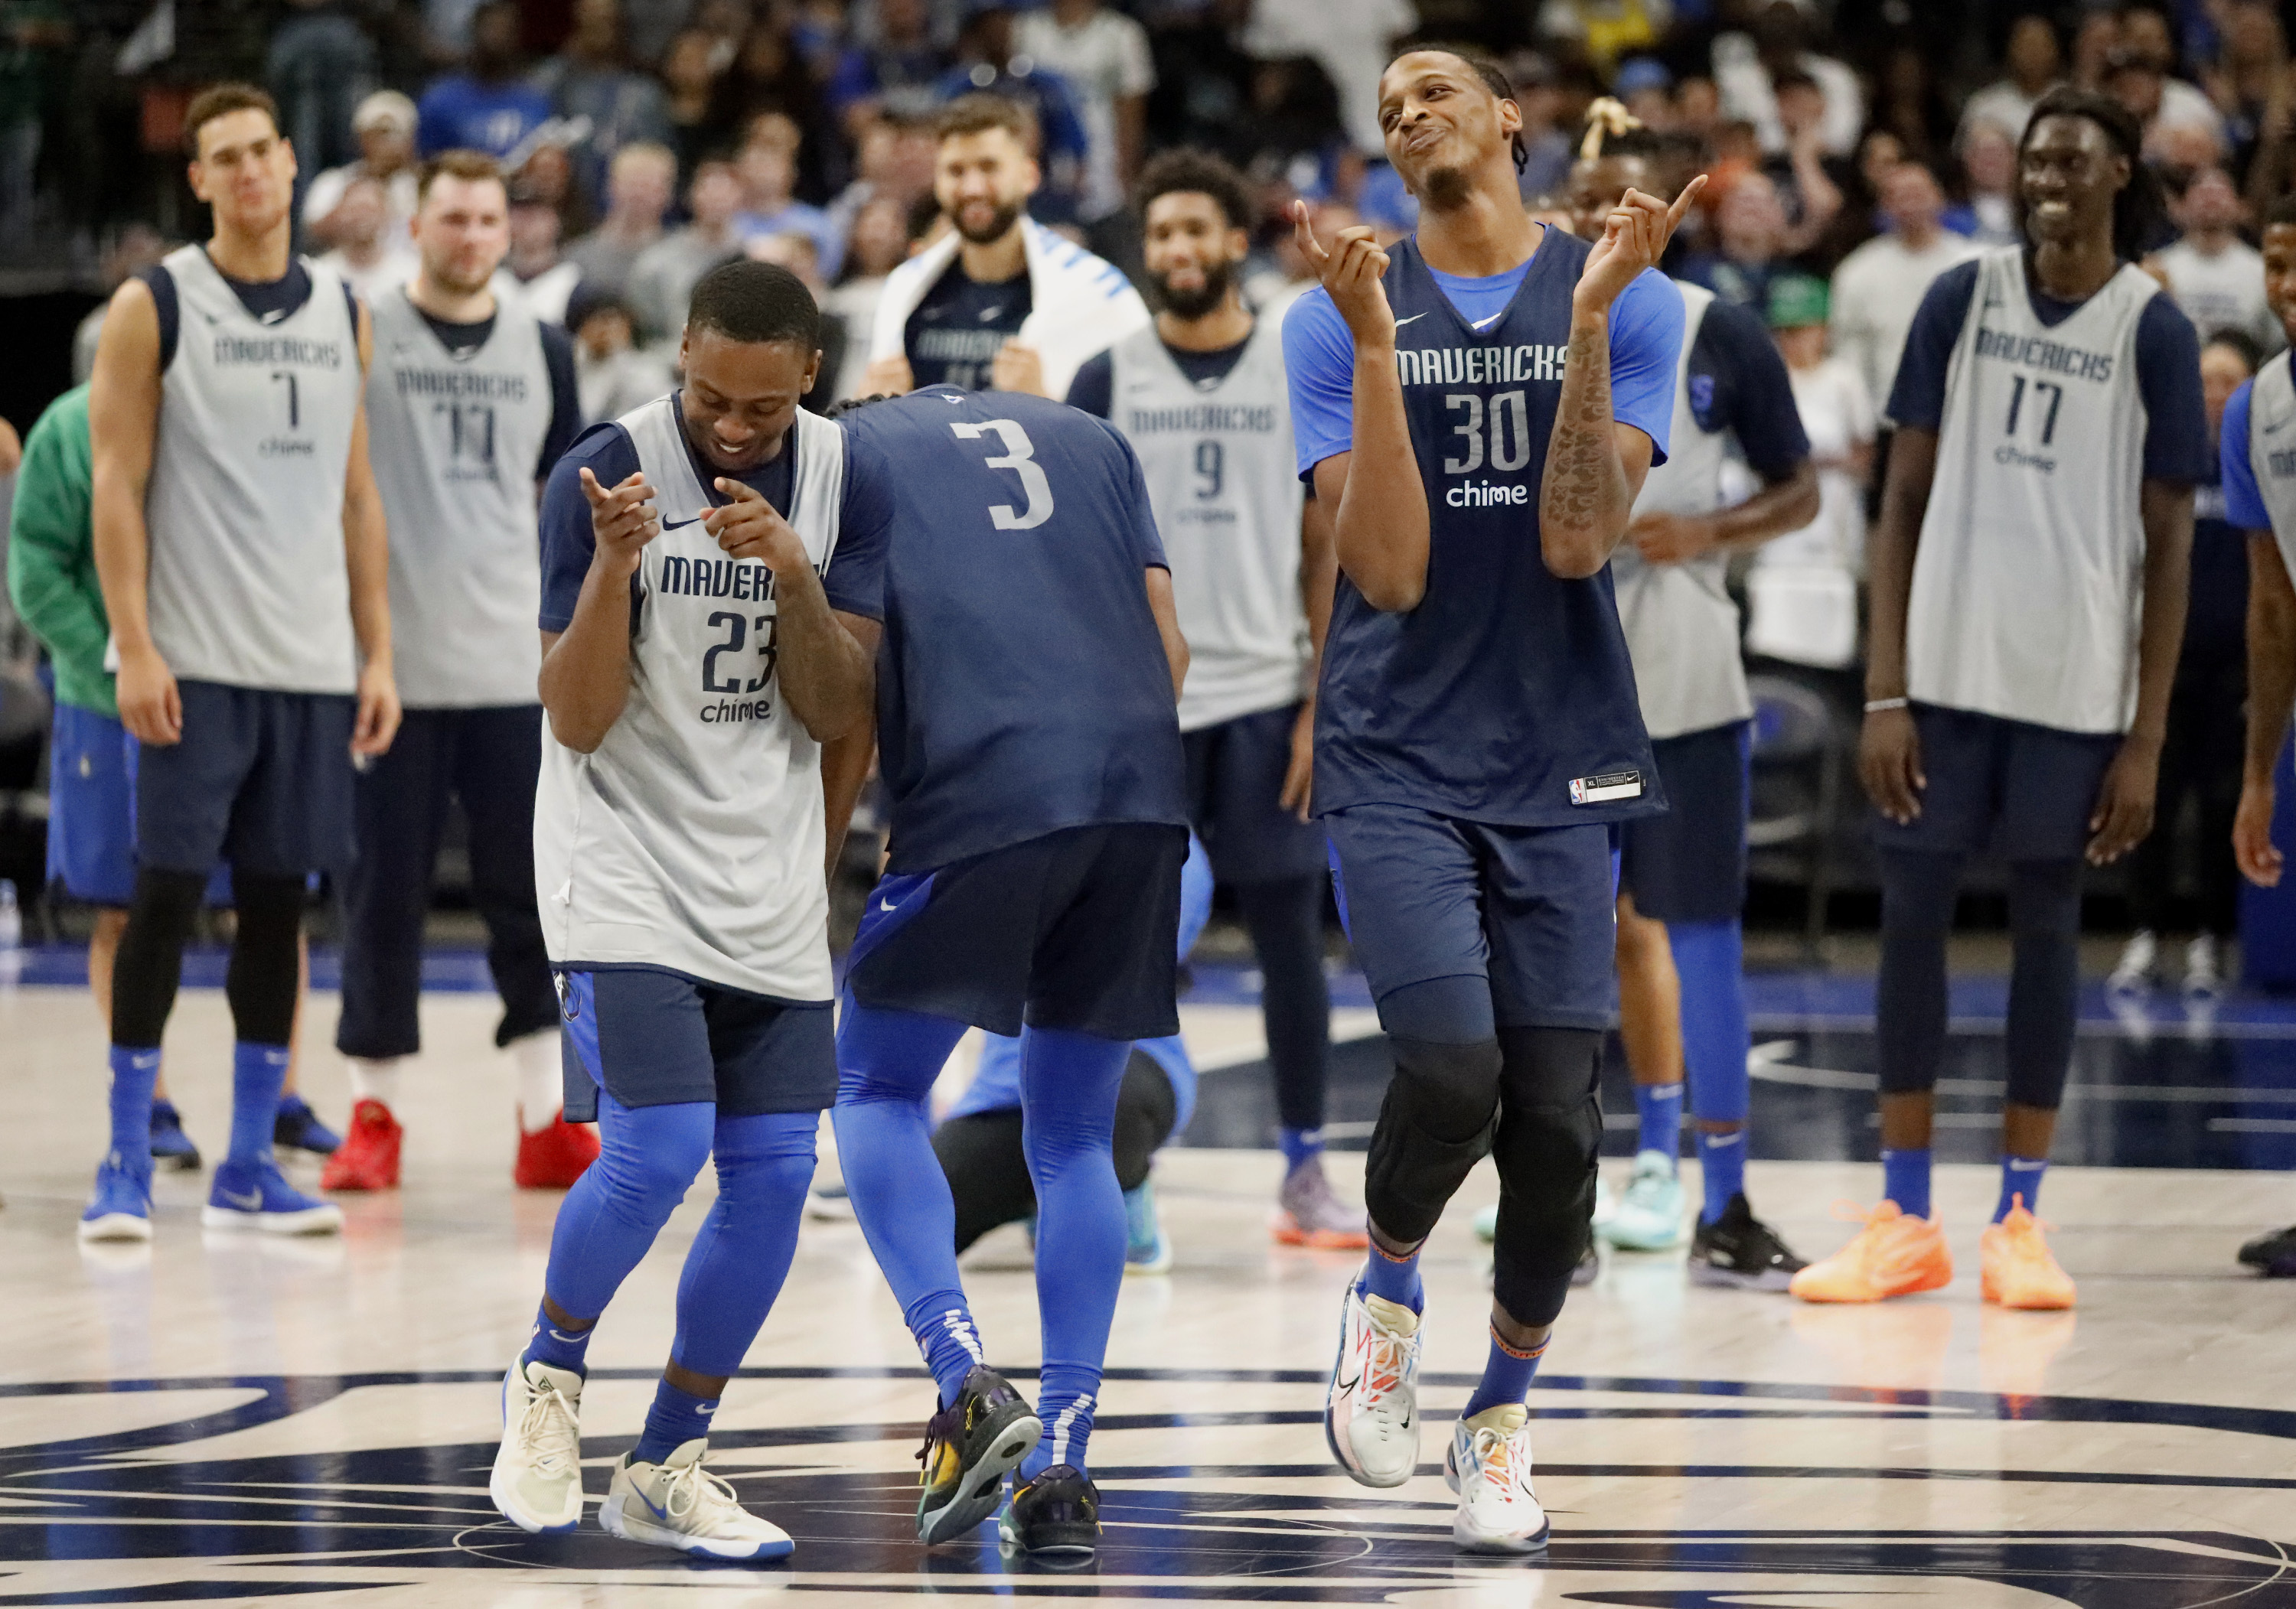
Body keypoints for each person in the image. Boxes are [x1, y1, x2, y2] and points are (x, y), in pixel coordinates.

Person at [1283, 48, 1691, 1553]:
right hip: (1394, 748)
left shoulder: (1626, 293)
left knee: (1560, 1131)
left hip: (1560, 749)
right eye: (1387, 100)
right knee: (1451, 1073)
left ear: (1513, 120)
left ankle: (1499, 1418)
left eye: (1437, 85)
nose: (1408, 107)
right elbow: (1384, 571)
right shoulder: (1328, 320)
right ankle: (1386, 1289)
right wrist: (1377, 341)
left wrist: (1582, 326)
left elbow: (1580, 543)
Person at [488, 260, 889, 1555]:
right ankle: (547, 1379)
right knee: (657, 1149)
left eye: (760, 409)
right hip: (622, 867)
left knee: (773, 1178)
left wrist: (792, 577)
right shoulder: (601, 470)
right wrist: (614, 569)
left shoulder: (844, 479)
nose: (731, 426)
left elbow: (839, 709)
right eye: (710, 395)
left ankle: (667, 1458)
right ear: (685, 360)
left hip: (765, 877)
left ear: (808, 379)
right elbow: (578, 714)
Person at [1803, 86, 2206, 1312]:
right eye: (2035, 160)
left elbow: (2173, 548)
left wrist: (2146, 736)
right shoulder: (1959, 297)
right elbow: (1901, 502)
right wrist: (1884, 690)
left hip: (2073, 686)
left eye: (2073, 160)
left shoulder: (2156, 328)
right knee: (1912, 922)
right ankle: (1905, 1212)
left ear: (2119, 171)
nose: (2048, 178)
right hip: (1942, 676)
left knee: (2045, 930)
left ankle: (2021, 1216)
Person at [827, 380, 1190, 1559]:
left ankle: (959, 1372)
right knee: (1074, 1136)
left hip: (983, 786)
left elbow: (851, 669)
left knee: (874, 1086)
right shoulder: (1089, 434)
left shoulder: (850, 448)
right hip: (1139, 791)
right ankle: (1066, 1469)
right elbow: (1169, 646)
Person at [82, 83, 400, 1240]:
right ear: (200, 179)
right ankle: (125, 1153)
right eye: (226, 156)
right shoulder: (154, 302)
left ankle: (249, 1165)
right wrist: (134, 643)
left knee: (279, 907)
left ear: (286, 158)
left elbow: (358, 491)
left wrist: (377, 652)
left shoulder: (345, 310)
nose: (252, 170)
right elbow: (116, 485)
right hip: (195, 658)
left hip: (312, 663)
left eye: (265, 149)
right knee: (164, 896)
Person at [1064, 149, 1349, 1247]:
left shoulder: (1293, 361)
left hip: (1271, 693)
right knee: (1130, 942)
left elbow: (1324, 538)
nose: (1178, 250)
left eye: (1198, 230)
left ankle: (1304, 1167)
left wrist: (1325, 699)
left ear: (1237, 241)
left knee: (1290, 935)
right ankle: (1124, 1171)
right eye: (1162, 233)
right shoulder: (1108, 377)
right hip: (1141, 705)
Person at [1564, 108, 1817, 1288]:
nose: (1591, 215)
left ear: (1668, 214)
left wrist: (1705, 530)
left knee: (1695, 939)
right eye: (1578, 195)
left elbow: (1802, 489)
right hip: (1554, 683)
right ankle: (1564, 1191)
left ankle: (1719, 1192)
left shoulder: (1727, 335)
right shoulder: (1529, 325)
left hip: (1684, 673)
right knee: (1571, 945)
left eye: (1616, 196)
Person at [323, 151, 589, 1194]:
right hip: (386, 659)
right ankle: (372, 1114)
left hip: (509, 663)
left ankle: (543, 1118)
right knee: (378, 891)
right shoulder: (361, 326)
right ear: (416, 223)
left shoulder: (545, 345)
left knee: (530, 894)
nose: (472, 235)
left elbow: (570, 504)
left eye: (487, 219)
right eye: (453, 217)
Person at [7, 383, 339, 1190]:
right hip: (108, 698)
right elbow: (36, 568)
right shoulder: (67, 430)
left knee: (272, 896)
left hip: (237, 686)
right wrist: (115, 660)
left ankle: (280, 1099)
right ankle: (149, 1109)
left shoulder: (235, 413)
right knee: (123, 906)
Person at [937, 836, 1212, 1270]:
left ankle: (1126, 1197)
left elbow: (1145, 953)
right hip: (1009, 1093)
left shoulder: (1167, 837)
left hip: (1128, 1062)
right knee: (931, 1215)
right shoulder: (1000, 829)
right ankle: (1043, 1198)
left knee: (1099, 1103)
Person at [2112, 328, 2260, 1002]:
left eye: (2229, 379)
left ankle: (2210, 940)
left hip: (2235, 669)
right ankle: (2144, 937)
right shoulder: (2163, 460)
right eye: (2205, 379)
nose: (2215, 391)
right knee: (2153, 802)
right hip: (2162, 668)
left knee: (2223, 802)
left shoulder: (2265, 463)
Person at [864, 93, 1148, 399]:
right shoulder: (904, 288)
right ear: (938, 182)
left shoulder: (1096, 291)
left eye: (989, 168)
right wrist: (872, 407)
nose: (973, 188)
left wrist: (1041, 403)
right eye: (956, 171)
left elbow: (1134, 425)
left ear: (1029, 175)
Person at [2226, 197, 2296, 1281]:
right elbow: (2272, 604)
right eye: (2276, 264)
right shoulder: (2256, 406)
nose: (2286, 284)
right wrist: (2257, 771)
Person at [1826, 161, 1979, 503]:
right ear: (1884, 206)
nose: (1911, 203)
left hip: (1962, 418)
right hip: (1888, 424)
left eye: (1919, 193)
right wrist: (1858, 430)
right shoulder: (1857, 272)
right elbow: (1848, 361)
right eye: (1899, 195)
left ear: (1939, 197)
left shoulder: (1976, 265)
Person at [1748, 272, 1875, 671]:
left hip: (1832, 516)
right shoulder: (1766, 380)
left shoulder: (1843, 380)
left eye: (1800, 330)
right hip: (1778, 523)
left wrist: (1821, 460)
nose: (1791, 341)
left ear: (1822, 331)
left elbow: (1866, 458)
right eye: (1782, 331)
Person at [1013, 0, 1154, 222]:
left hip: (1102, 145)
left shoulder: (1122, 32)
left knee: (1103, 217)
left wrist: (1126, 171)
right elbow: (1018, 99)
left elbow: (1131, 111)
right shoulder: (1027, 28)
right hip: (1048, 144)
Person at [2156, 167, 2281, 354]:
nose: (2210, 198)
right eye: (2201, 192)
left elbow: (2276, 341)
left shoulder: (2263, 269)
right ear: (2179, 208)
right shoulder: (2159, 267)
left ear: (2242, 208)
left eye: (2220, 192)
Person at [628, 159, 745, 344]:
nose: (717, 200)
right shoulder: (657, 261)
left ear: (740, 198)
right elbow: (644, 326)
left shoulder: (755, 258)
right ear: (692, 196)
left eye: (725, 192)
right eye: (709, 191)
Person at [417, 1, 551, 161]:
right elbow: (425, 164)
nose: (496, 38)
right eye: (489, 28)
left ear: (516, 37)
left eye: (504, 30)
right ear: (473, 33)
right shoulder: (440, 102)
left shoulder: (537, 100)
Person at [303, 90, 420, 252]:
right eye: (380, 134)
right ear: (362, 138)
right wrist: (353, 200)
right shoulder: (334, 181)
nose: (387, 143)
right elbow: (312, 234)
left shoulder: (419, 188)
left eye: (397, 134)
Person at [563, 142, 676, 304]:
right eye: (632, 184)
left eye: (648, 186)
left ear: (667, 194)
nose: (638, 194)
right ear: (611, 186)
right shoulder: (578, 258)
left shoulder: (676, 256)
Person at [313, 173, 420, 304]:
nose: (361, 217)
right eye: (354, 210)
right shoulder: (322, 274)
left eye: (369, 209)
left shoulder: (410, 273)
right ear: (340, 215)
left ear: (386, 214)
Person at [1962, 14, 2065, 145]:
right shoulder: (1984, 106)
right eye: (2027, 45)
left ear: (2055, 51)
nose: (2033, 53)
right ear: (2011, 50)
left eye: (2041, 45)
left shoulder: (2073, 104)